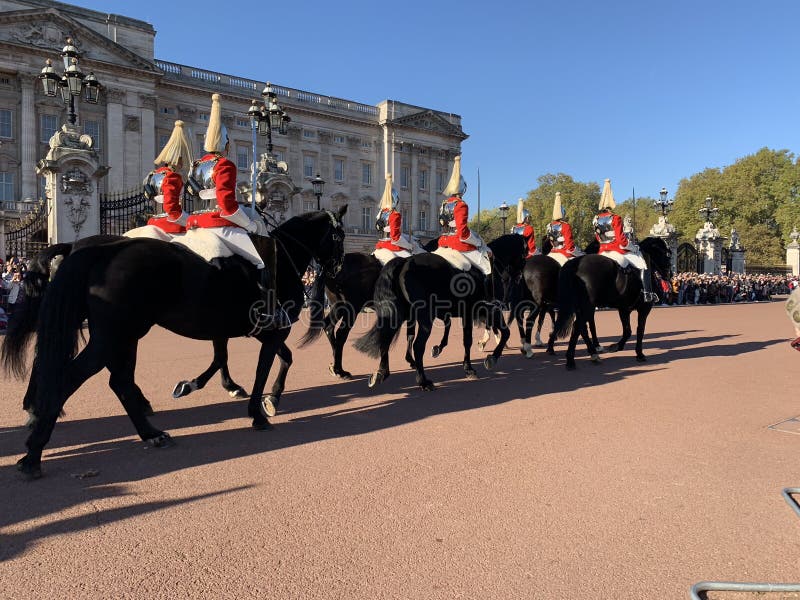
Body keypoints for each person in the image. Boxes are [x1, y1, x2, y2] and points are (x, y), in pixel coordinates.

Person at [184, 93, 287, 330]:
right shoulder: (224, 165)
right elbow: (228, 208)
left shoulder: (197, 167)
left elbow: (194, 195)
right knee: (264, 259)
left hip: (196, 223)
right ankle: (268, 313)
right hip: (218, 226)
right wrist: (250, 226)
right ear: (226, 143)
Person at [593, 178, 657, 302]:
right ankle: (647, 293)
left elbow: (598, 238)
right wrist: (634, 247)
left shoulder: (596, 219)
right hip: (617, 250)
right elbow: (621, 240)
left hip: (602, 250)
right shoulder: (615, 218)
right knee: (642, 262)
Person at [434, 155, 491, 276]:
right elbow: (463, 235)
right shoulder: (460, 205)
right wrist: (478, 243)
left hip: (443, 242)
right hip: (458, 245)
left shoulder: (444, 204)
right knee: (486, 266)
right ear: (463, 188)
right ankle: (488, 294)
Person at [143, 120, 193, 234]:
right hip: (170, 226)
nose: (182, 162)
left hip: (153, 222)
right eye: (181, 158)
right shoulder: (173, 177)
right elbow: (171, 209)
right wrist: (190, 220)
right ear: (177, 158)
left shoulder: (153, 175)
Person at [373, 173, 422, 265]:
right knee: (413, 263)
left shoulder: (381, 213)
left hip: (380, 244)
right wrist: (409, 246)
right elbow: (395, 239)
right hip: (391, 246)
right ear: (395, 200)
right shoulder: (395, 214)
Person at [546, 192, 582, 266]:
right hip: (564, 252)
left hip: (552, 252)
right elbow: (569, 244)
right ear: (563, 214)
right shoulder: (565, 225)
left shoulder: (549, 226)